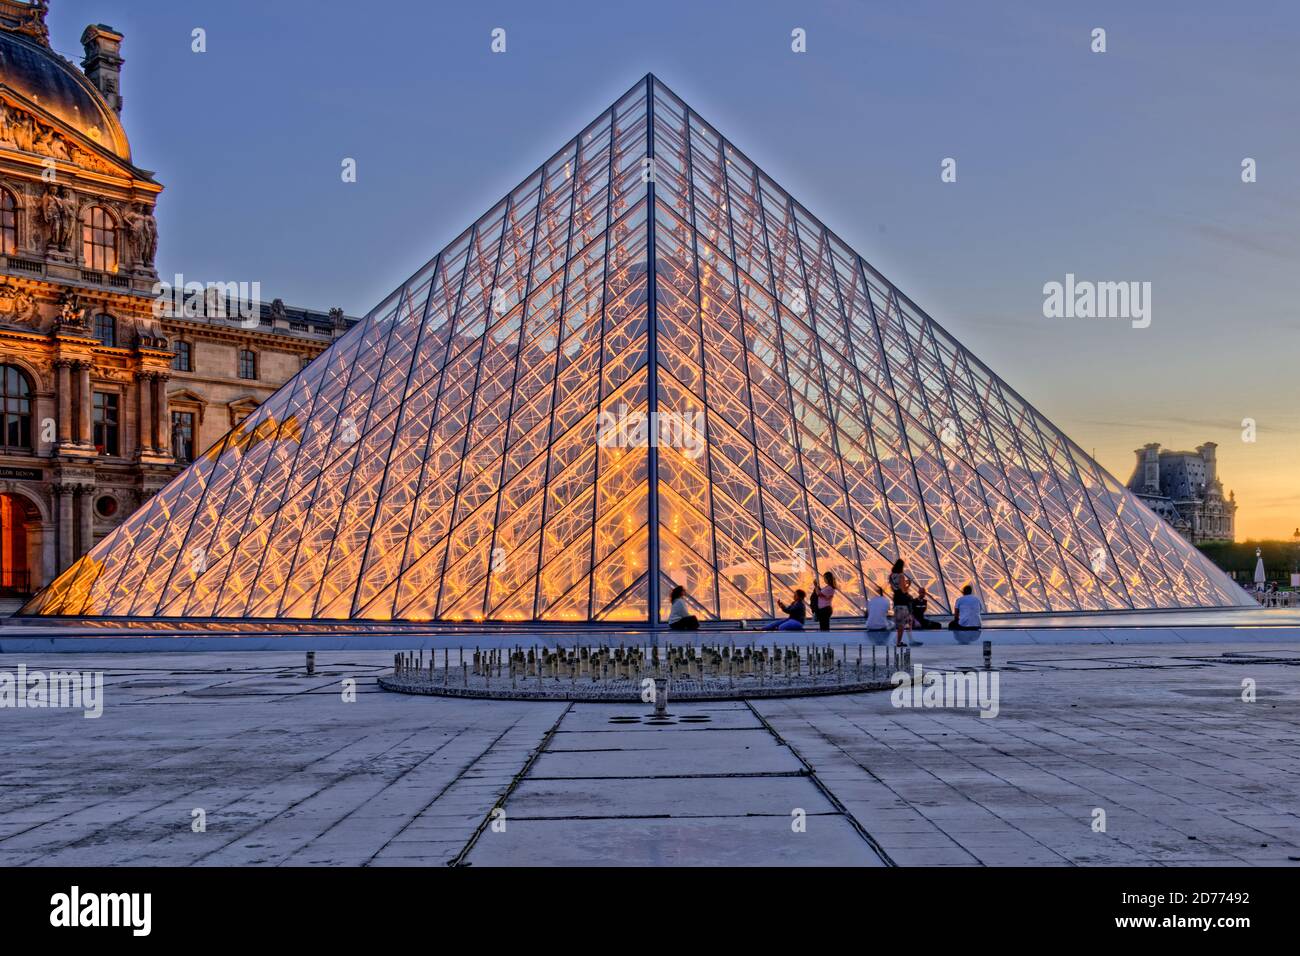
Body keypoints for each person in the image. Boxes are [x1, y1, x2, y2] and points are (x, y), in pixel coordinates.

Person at [888, 559, 913, 647]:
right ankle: (898, 642)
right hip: (902, 601)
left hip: (896, 599)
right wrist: (908, 585)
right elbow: (903, 590)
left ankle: (898, 640)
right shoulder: (901, 576)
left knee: (900, 623)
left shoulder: (891, 576)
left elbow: (893, 588)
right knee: (903, 623)